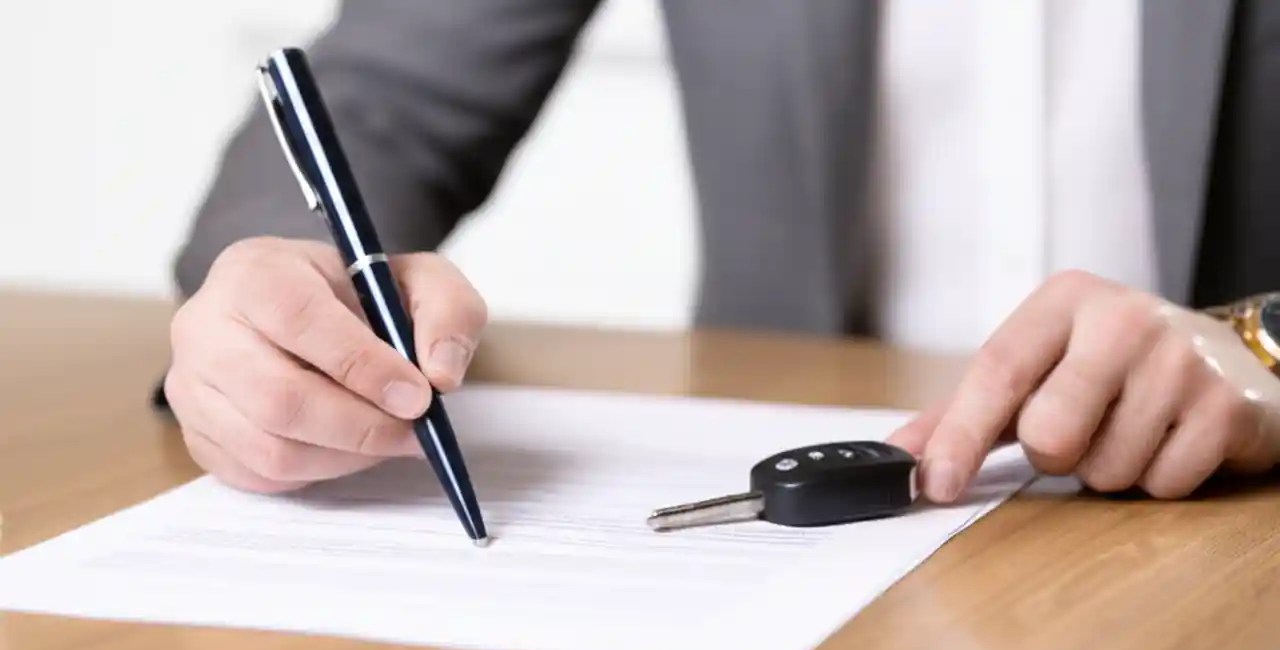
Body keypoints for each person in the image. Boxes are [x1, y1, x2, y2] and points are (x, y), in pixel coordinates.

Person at [163, 0, 1280, 501]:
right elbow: (386, 97)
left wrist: (1266, 349)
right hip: (798, 531)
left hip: (1218, 529)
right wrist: (279, 284)